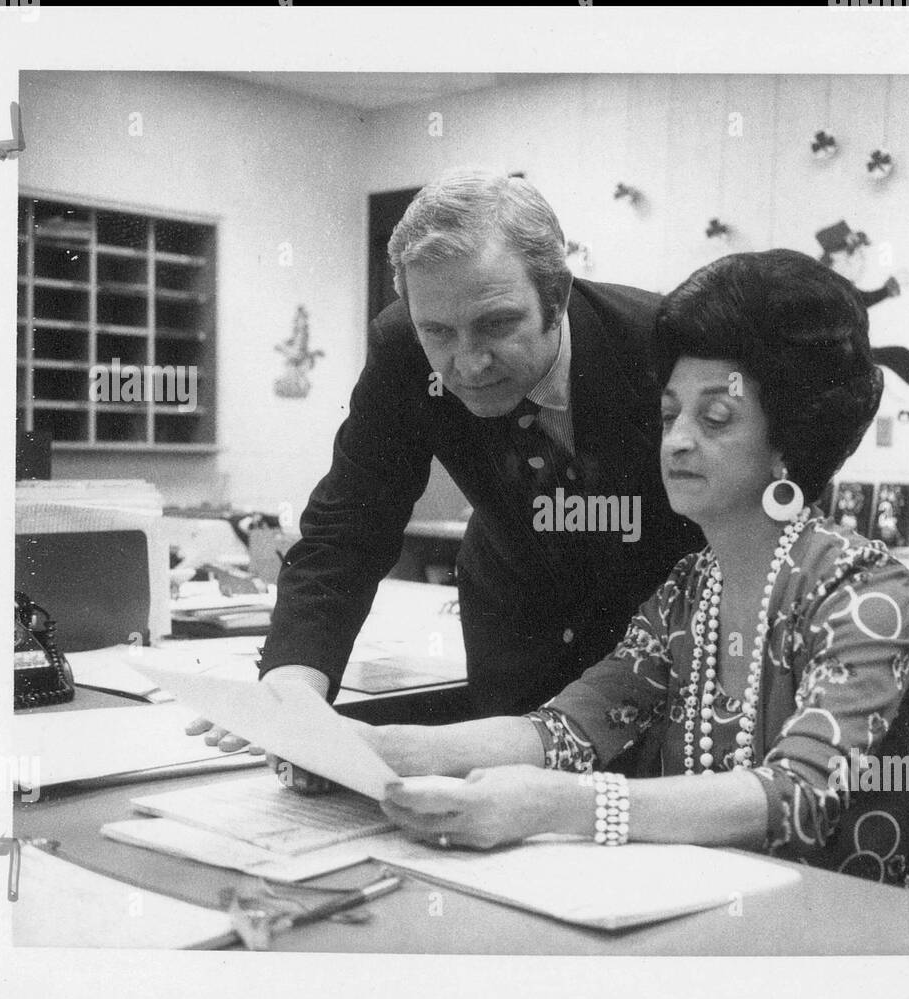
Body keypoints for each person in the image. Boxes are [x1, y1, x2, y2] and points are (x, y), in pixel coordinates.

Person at [355, 249, 909, 905]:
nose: (678, 440)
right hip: (738, 915)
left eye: (715, 418)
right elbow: (567, 729)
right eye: (668, 415)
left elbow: (800, 793)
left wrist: (559, 804)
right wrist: (382, 748)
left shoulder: (863, 593)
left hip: (885, 934)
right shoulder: (691, 589)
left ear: (789, 441)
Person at [191, 169, 702, 752]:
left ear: (556, 295)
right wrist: (291, 683)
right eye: (438, 331)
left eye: (497, 324)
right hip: (516, 631)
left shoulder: (661, 345)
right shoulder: (404, 348)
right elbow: (350, 522)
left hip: (658, 638)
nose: (468, 362)